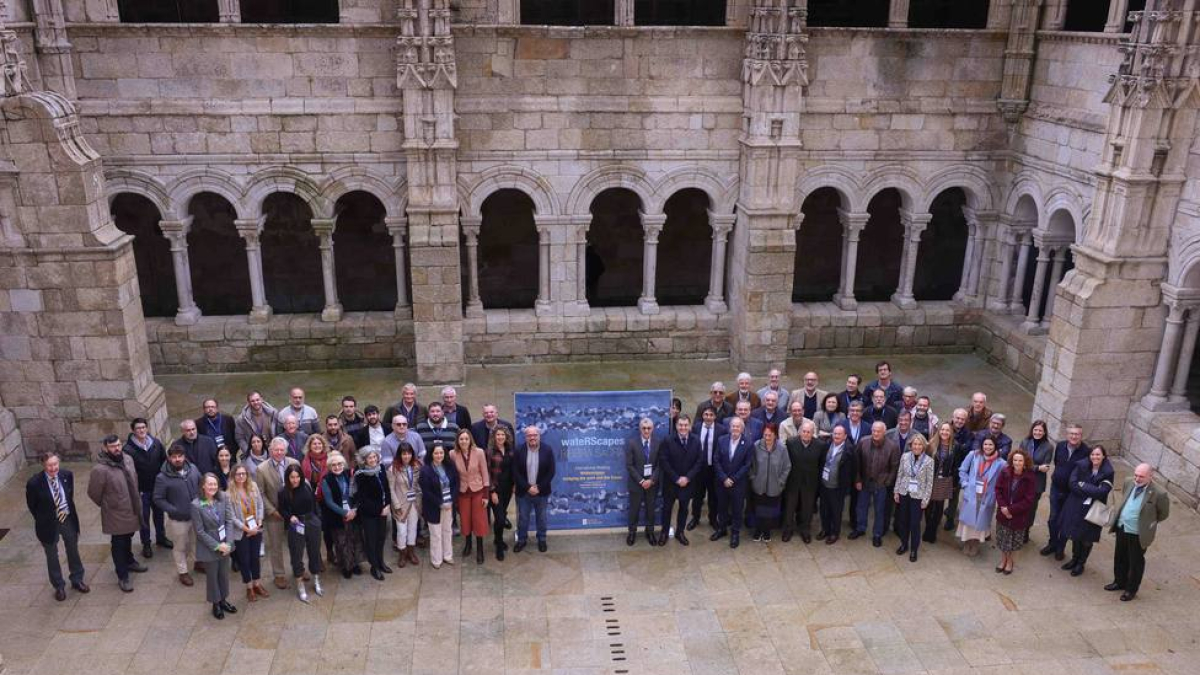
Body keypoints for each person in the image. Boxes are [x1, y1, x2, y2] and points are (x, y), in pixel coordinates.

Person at [88, 435, 147, 592]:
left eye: (119, 445)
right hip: (116, 513)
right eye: (113, 446)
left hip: (132, 507)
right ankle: (122, 575)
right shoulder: (100, 470)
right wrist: (110, 504)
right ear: (105, 448)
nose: (117, 449)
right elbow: (94, 493)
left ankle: (130, 560)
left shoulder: (127, 459)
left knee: (128, 536)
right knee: (119, 543)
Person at [26, 452, 88, 601]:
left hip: (67, 518)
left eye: (55, 464)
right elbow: (32, 506)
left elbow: (69, 496)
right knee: (52, 555)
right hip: (48, 524)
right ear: (43, 465)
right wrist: (44, 518)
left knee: (73, 549)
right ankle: (58, 586)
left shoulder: (67, 475)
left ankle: (77, 579)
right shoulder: (34, 483)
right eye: (49, 465)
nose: (53, 468)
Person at [1106, 463, 1170, 601]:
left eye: (1141, 476)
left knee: (1135, 562)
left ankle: (1131, 589)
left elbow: (1163, 514)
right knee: (1120, 556)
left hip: (1138, 533)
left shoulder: (1159, 493)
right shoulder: (1129, 482)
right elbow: (1125, 498)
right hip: (1122, 527)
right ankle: (1119, 581)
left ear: (1150, 476)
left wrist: (1147, 523)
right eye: (1136, 475)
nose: (1137, 478)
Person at [1059, 445, 1115, 577]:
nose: (1095, 457)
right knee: (1075, 534)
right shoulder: (1081, 466)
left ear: (1103, 456)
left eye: (1098, 455)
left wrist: (1083, 485)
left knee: (1087, 539)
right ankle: (1074, 559)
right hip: (1076, 505)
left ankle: (1081, 563)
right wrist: (1090, 489)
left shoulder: (1108, 472)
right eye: (1093, 455)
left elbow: (1102, 491)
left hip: (1093, 509)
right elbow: (1072, 483)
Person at [254, 437, 300, 589]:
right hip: (274, 514)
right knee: (276, 546)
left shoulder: (294, 463)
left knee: (298, 543)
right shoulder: (261, 469)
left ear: (286, 450)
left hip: (294, 513)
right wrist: (272, 511)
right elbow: (260, 493)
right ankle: (279, 575)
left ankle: (299, 568)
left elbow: (300, 487)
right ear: (270, 450)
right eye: (276, 450)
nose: (279, 453)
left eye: (282, 450)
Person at [153, 444, 201, 586]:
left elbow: (200, 484)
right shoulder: (162, 478)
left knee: (196, 541)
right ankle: (183, 572)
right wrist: (173, 510)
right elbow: (158, 498)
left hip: (196, 515)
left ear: (184, 456)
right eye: (174, 457)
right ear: (169, 458)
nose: (177, 459)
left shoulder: (193, 469)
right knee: (180, 547)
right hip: (178, 520)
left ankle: (198, 562)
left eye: (180, 456)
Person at [122, 418, 169, 560]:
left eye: (143, 427)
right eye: (138, 428)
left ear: (147, 428)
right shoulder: (128, 450)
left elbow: (164, 462)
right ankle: (146, 544)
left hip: (157, 488)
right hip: (141, 491)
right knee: (144, 518)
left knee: (159, 515)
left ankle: (161, 537)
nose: (141, 430)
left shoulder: (156, 444)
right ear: (133, 431)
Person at [1042, 424, 1089, 561]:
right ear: (1067, 434)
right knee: (1053, 519)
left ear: (1081, 435)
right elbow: (1057, 463)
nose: (1074, 436)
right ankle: (1052, 542)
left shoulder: (1086, 451)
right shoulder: (1061, 446)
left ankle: (1060, 547)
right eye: (1071, 434)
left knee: (1065, 521)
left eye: (1077, 434)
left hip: (1072, 493)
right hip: (1056, 488)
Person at [192, 474, 236, 619]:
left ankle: (223, 600)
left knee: (223, 574)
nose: (213, 487)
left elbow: (229, 520)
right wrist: (218, 546)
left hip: (225, 543)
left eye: (215, 484)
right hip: (210, 546)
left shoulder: (223, 497)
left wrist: (228, 543)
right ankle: (215, 603)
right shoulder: (196, 505)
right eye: (209, 484)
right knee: (212, 576)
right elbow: (199, 532)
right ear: (203, 486)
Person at [279, 464, 324, 601]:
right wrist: (289, 516)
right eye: (292, 477)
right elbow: (282, 509)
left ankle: (316, 579)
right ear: (287, 477)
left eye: (297, 476)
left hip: (312, 522)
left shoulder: (306, 486)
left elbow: (314, 503)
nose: (295, 480)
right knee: (296, 554)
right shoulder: (283, 492)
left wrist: (318, 519)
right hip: (296, 525)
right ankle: (300, 584)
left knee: (315, 552)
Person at [956, 437, 1007, 557]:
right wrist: (965, 484)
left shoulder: (1001, 463)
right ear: (981, 445)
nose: (987, 447)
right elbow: (962, 470)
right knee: (969, 520)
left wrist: (997, 493)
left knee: (981, 521)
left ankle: (975, 543)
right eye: (985, 444)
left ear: (995, 446)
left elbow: (1005, 480)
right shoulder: (973, 455)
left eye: (990, 445)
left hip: (987, 496)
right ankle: (967, 542)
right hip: (972, 493)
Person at [852, 421, 900, 547]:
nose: (876, 433)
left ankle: (877, 535)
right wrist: (857, 479)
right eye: (874, 430)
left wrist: (887, 482)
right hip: (865, 481)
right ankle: (860, 528)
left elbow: (894, 467)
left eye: (879, 431)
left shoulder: (892, 447)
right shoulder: (863, 442)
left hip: (881, 484)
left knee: (880, 510)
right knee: (861, 507)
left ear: (884, 432)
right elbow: (856, 463)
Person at [993, 447, 1037, 575]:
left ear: (1025, 462)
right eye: (1015, 460)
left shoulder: (1030, 477)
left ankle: (1010, 561)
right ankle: (1003, 560)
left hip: (1018, 516)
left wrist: (1011, 510)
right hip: (1003, 512)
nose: (1017, 463)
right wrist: (1003, 507)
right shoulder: (1005, 472)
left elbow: (1029, 499)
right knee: (1003, 539)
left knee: (1014, 541)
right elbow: (998, 489)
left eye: (1020, 460)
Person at [659, 415, 702, 546]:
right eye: (680, 425)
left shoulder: (696, 440)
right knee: (667, 509)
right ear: (676, 426)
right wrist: (676, 478)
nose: (683, 427)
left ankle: (680, 532)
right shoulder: (667, 440)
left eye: (685, 425)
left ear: (689, 426)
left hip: (688, 483)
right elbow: (664, 461)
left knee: (684, 509)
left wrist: (687, 477)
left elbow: (699, 462)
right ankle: (664, 533)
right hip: (671, 483)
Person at [227, 464, 267, 602]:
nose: (241, 476)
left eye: (244, 473)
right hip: (241, 532)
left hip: (256, 527)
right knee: (245, 560)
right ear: (233, 476)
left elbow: (260, 504)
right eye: (238, 474)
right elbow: (231, 517)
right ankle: (249, 587)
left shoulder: (253, 486)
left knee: (255, 558)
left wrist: (259, 521)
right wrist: (247, 529)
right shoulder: (229, 494)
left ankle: (257, 583)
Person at [320, 451, 363, 578]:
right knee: (341, 541)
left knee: (354, 538)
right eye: (334, 465)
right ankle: (346, 566)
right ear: (330, 467)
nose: (337, 467)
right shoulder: (326, 480)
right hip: (337, 516)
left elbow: (357, 493)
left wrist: (354, 510)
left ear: (343, 464)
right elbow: (329, 502)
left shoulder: (349, 475)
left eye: (339, 464)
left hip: (353, 512)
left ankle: (355, 564)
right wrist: (345, 513)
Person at [513, 426, 556, 553]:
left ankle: (542, 540)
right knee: (523, 518)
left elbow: (551, 471)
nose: (532, 437)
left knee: (542, 518)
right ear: (525, 437)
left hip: (541, 492)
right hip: (523, 492)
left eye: (534, 435)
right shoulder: (518, 450)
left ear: (539, 436)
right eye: (529, 435)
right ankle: (521, 540)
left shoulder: (547, 450)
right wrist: (528, 487)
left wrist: (539, 487)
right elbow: (515, 471)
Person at [450, 429, 490, 565]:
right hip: (462, 492)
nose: (464, 441)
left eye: (466, 439)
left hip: (478, 491)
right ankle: (468, 544)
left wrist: (486, 495)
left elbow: (485, 473)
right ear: (457, 441)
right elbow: (452, 475)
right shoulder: (452, 454)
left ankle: (480, 549)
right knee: (465, 520)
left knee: (478, 521)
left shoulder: (479, 452)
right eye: (461, 439)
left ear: (470, 439)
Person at [712, 417, 752, 548]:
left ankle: (735, 533)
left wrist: (733, 479)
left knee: (737, 509)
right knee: (722, 507)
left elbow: (747, 465)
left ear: (742, 429)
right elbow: (716, 460)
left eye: (738, 426)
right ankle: (722, 529)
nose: (735, 428)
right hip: (722, 482)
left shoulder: (747, 443)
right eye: (733, 426)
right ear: (729, 428)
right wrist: (724, 478)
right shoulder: (721, 440)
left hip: (738, 484)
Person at [782, 420, 824, 543]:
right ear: (800, 432)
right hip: (793, 481)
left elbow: (821, 465)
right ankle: (787, 530)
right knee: (789, 507)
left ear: (813, 433)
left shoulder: (820, 445)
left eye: (809, 432)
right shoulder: (791, 443)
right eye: (804, 431)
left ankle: (805, 530)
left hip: (810, 483)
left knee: (807, 508)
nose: (806, 434)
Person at [893, 433, 933, 561]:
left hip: (918, 496)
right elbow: (899, 474)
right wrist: (896, 491)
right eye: (914, 444)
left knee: (915, 524)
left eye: (919, 444)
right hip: (904, 493)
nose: (917, 446)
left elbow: (929, 482)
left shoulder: (929, 461)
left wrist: (926, 499)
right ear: (911, 445)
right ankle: (904, 544)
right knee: (903, 521)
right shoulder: (905, 457)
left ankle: (914, 549)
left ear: (923, 446)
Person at [354, 448, 393, 580]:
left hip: (383, 510)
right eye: (370, 458)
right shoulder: (360, 475)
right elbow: (363, 498)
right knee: (371, 540)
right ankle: (374, 566)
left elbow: (386, 488)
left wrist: (387, 504)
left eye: (374, 457)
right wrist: (379, 509)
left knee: (381, 538)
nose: (373, 460)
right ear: (364, 460)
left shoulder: (381, 468)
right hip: (369, 513)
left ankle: (381, 562)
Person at [749, 424, 791, 542]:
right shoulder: (756, 445)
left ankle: (766, 531)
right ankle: (758, 530)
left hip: (774, 486)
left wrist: (781, 482)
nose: (767, 437)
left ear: (775, 435)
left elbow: (787, 467)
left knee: (769, 510)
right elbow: (750, 464)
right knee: (758, 509)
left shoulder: (782, 448)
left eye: (770, 435)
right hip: (759, 486)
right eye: (765, 434)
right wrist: (753, 478)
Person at [419, 444, 459, 568]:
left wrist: (451, 500)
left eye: (441, 453)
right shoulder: (425, 470)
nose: (439, 455)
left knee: (447, 531)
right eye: (436, 453)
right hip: (434, 506)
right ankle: (436, 560)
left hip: (449, 504)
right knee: (436, 534)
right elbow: (426, 491)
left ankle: (447, 556)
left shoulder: (450, 466)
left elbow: (456, 483)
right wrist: (440, 503)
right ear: (431, 454)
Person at [625, 418, 661, 547]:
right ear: (640, 429)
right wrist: (641, 481)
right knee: (634, 509)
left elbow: (660, 465)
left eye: (649, 428)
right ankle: (632, 532)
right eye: (644, 428)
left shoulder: (658, 443)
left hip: (652, 484)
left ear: (653, 428)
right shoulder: (631, 443)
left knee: (651, 509)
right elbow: (629, 466)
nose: (646, 430)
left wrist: (651, 480)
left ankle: (650, 532)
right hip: (636, 484)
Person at [818, 425, 856, 545]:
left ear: (845, 436)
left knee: (836, 511)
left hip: (838, 487)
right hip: (824, 484)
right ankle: (825, 529)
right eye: (835, 433)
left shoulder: (850, 450)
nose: (836, 436)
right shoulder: (827, 445)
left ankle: (835, 533)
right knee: (824, 509)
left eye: (839, 434)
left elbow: (853, 469)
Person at [923, 422, 958, 544]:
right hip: (931, 478)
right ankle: (928, 528)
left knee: (938, 508)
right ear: (939, 431)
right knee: (928, 506)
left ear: (951, 433)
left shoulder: (955, 447)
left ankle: (932, 531)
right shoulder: (931, 445)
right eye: (942, 430)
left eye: (947, 430)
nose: (944, 432)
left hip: (945, 480)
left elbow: (956, 466)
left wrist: (953, 483)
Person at [1019, 420, 1053, 540]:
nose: (1037, 432)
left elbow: (1046, 467)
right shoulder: (1025, 442)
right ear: (1032, 430)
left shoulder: (1048, 447)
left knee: (1031, 509)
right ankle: (1017, 528)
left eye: (1040, 430)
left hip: (1037, 484)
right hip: (1022, 480)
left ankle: (1026, 531)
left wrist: (1029, 466)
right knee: (1019, 505)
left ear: (1044, 432)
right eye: (1035, 430)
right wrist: (1037, 467)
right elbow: (1019, 462)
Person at [390, 443, 422, 568]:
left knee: (412, 528)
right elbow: (391, 489)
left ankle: (411, 552)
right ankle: (402, 553)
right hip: (401, 504)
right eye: (404, 453)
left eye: (409, 453)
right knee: (402, 531)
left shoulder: (416, 466)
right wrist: (396, 505)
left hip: (414, 503)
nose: (406, 456)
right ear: (399, 455)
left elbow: (419, 484)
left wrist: (420, 499)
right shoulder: (393, 469)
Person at [488, 426, 516, 560]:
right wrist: (492, 491)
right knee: (499, 519)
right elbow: (487, 473)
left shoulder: (511, 451)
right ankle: (499, 544)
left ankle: (497, 539)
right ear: (494, 437)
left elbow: (514, 469)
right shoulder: (489, 452)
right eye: (498, 435)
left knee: (502, 514)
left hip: (508, 489)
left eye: (502, 435)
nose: (500, 437)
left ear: (506, 436)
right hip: (496, 490)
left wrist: (515, 484)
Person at [689, 407, 720, 531]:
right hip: (699, 469)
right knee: (697, 496)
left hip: (713, 469)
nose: (708, 417)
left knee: (713, 497)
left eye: (711, 415)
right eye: (706, 414)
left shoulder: (721, 430)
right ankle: (695, 518)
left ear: (715, 417)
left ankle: (713, 519)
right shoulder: (696, 428)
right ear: (702, 416)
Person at [943, 407, 973, 531]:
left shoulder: (968, 434)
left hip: (957, 470)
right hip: (943, 467)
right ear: (953, 417)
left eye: (962, 419)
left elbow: (965, 451)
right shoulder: (945, 428)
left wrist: (953, 443)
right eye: (957, 418)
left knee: (953, 496)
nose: (959, 421)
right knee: (938, 494)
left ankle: (950, 518)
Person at [235, 391, 280, 457]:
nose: (256, 402)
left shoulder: (273, 413)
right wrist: (248, 452)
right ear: (248, 402)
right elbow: (239, 438)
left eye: (257, 400)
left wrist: (277, 448)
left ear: (262, 399)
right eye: (252, 401)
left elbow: (279, 431)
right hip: (254, 453)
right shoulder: (242, 419)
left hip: (272, 451)